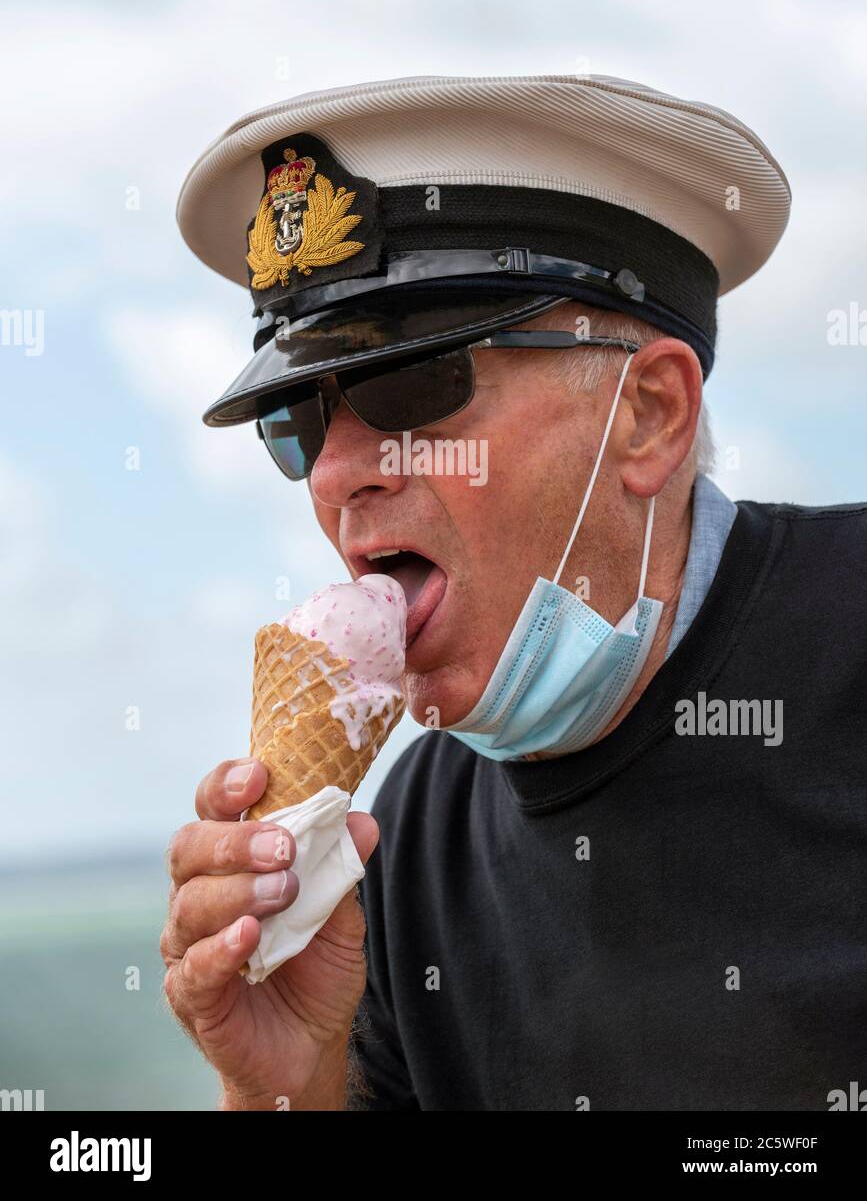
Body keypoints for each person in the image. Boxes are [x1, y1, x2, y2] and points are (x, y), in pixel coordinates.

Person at [163, 75, 867, 1110]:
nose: (335, 472)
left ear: (649, 415)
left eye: (411, 386)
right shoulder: (401, 845)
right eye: (298, 420)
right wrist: (285, 1084)